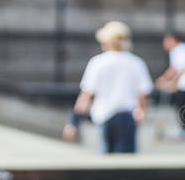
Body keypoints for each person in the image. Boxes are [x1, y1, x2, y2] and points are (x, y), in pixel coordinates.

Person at [63, 21, 153, 154]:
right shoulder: (136, 63)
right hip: (127, 115)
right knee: (127, 162)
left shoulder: (97, 63)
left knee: (107, 161)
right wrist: (142, 111)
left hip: (104, 115)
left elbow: (86, 95)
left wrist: (73, 123)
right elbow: (144, 93)